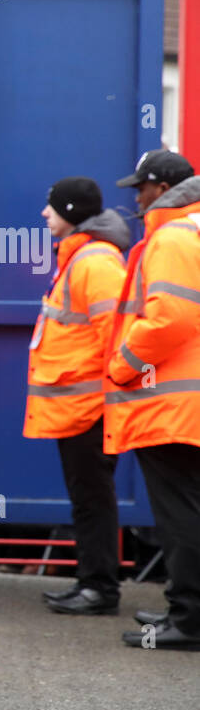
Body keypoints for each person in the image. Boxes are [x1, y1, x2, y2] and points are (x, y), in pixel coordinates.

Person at [102, 151, 200, 649]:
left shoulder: (173, 236)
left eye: (140, 188)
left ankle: (189, 619)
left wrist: (123, 365)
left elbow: (173, 318)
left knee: (180, 516)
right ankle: (186, 610)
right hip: (188, 406)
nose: (135, 198)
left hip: (174, 408)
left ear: (161, 189)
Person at [22, 178, 129, 615]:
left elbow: (115, 339)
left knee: (92, 500)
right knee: (87, 499)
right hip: (81, 408)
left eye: (51, 208)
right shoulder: (81, 259)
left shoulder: (94, 263)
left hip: (90, 409)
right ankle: (93, 583)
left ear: (70, 210)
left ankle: (100, 588)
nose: (45, 215)